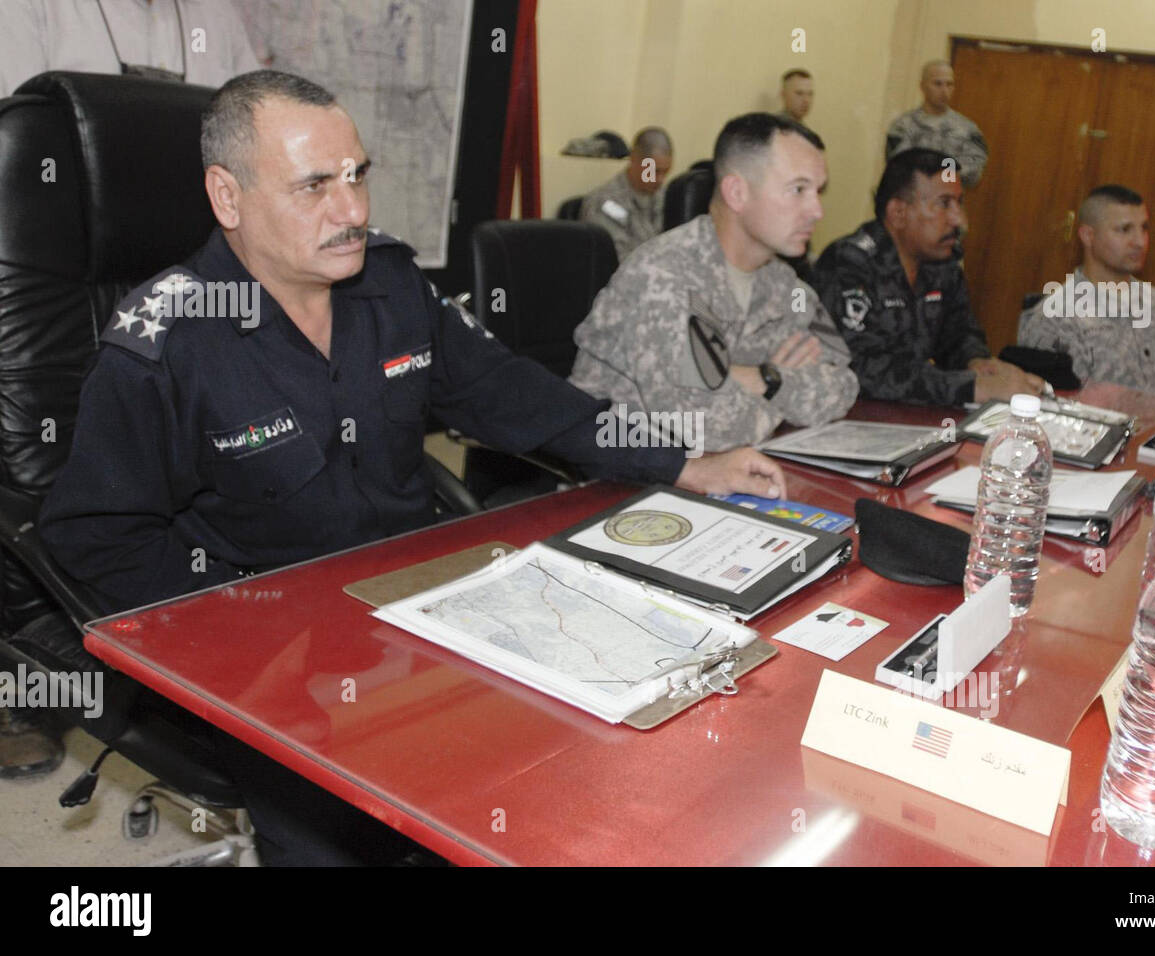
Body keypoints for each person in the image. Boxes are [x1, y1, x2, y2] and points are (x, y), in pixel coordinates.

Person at [37, 71, 786, 862]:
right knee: (354, 836)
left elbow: (515, 397)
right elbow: (94, 535)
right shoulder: (167, 343)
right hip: (275, 647)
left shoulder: (390, 286)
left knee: (572, 753)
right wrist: (243, 638)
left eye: (358, 176)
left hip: (416, 609)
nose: (353, 210)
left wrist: (680, 460)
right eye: (315, 186)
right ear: (228, 198)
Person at [568, 113, 858, 453]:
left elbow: (844, 384)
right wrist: (782, 389)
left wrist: (764, 378)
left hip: (723, 472)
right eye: (798, 190)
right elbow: (704, 426)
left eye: (818, 191)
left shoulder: (786, 286)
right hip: (613, 482)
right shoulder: (665, 276)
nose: (817, 211)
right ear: (736, 193)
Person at [813, 148, 1043, 406]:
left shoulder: (942, 262)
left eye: (959, 203)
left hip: (910, 415)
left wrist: (977, 362)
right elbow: (863, 368)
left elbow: (958, 333)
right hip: (847, 417)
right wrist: (970, 387)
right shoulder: (849, 263)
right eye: (944, 204)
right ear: (899, 213)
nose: (959, 219)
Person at [1018, 185, 1155, 398]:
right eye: (1124, 230)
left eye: (1144, 228)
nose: (1140, 242)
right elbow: (1055, 406)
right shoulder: (1056, 317)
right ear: (1087, 236)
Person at [0, 0, 262, 97]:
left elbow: (261, 127)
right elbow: (19, 146)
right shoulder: (29, 6)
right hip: (66, 212)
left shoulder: (216, 14)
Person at [885, 60, 987, 188]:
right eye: (937, 84)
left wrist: (938, 176)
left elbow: (974, 172)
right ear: (922, 86)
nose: (944, 91)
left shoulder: (968, 129)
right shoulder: (902, 126)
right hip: (913, 200)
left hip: (948, 201)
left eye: (949, 84)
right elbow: (898, 166)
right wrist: (945, 170)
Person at [578, 127, 673, 261]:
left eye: (666, 172)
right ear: (634, 158)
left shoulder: (665, 197)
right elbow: (619, 263)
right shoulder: (605, 204)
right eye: (654, 171)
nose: (660, 180)